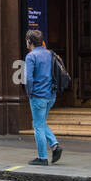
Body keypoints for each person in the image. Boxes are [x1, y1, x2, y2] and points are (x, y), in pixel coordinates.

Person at [24, 29, 61, 166]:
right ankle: (55, 145)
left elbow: (29, 79)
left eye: (27, 40)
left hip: (38, 96)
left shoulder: (31, 56)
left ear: (30, 42)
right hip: (51, 95)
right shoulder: (49, 53)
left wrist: (30, 93)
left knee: (38, 126)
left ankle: (42, 157)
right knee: (40, 122)